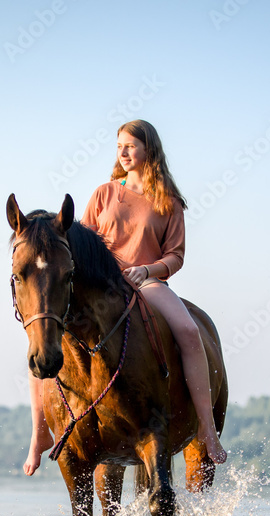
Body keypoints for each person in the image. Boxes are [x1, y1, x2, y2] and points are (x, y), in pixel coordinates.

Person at [22, 119, 226, 475]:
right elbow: (79, 243)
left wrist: (147, 271)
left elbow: (175, 255)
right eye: (120, 147)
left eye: (131, 145)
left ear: (150, 150)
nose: (124, 152)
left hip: (146, 281)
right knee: (45, 337)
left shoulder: (169, 201)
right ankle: (40, 433)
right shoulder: (104, 193)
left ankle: (206, 428)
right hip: (102, 284)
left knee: (191, 332)